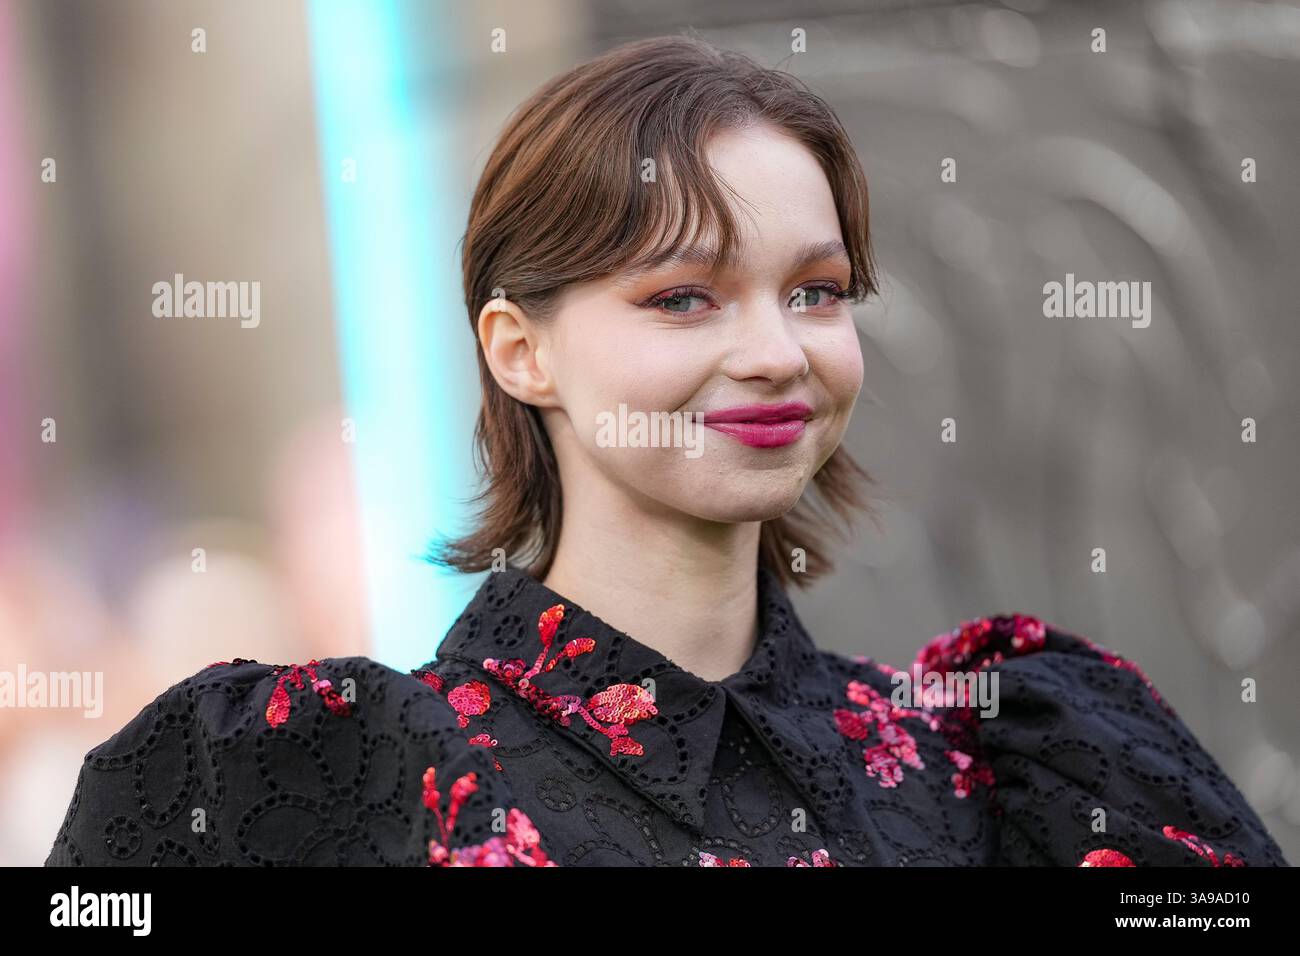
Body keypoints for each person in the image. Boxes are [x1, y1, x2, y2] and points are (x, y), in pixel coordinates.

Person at [44, 34, 1286, 868]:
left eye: (815, 290)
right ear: (520, 349)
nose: (774, 352)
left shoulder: (1008, 753)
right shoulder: (307, 775)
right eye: (684, 297)